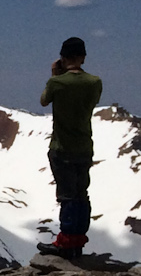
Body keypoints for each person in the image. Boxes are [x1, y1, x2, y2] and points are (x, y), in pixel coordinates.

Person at [36, 36, 103, 260]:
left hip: (62, 147)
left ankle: (65, 243)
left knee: (67, 196)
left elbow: (44, 101)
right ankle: (78, 242)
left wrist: (55, 75)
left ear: (63, 58)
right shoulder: (95, 82)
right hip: (85, 147)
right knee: (82, 194)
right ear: (83, 57)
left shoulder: (57, 83)